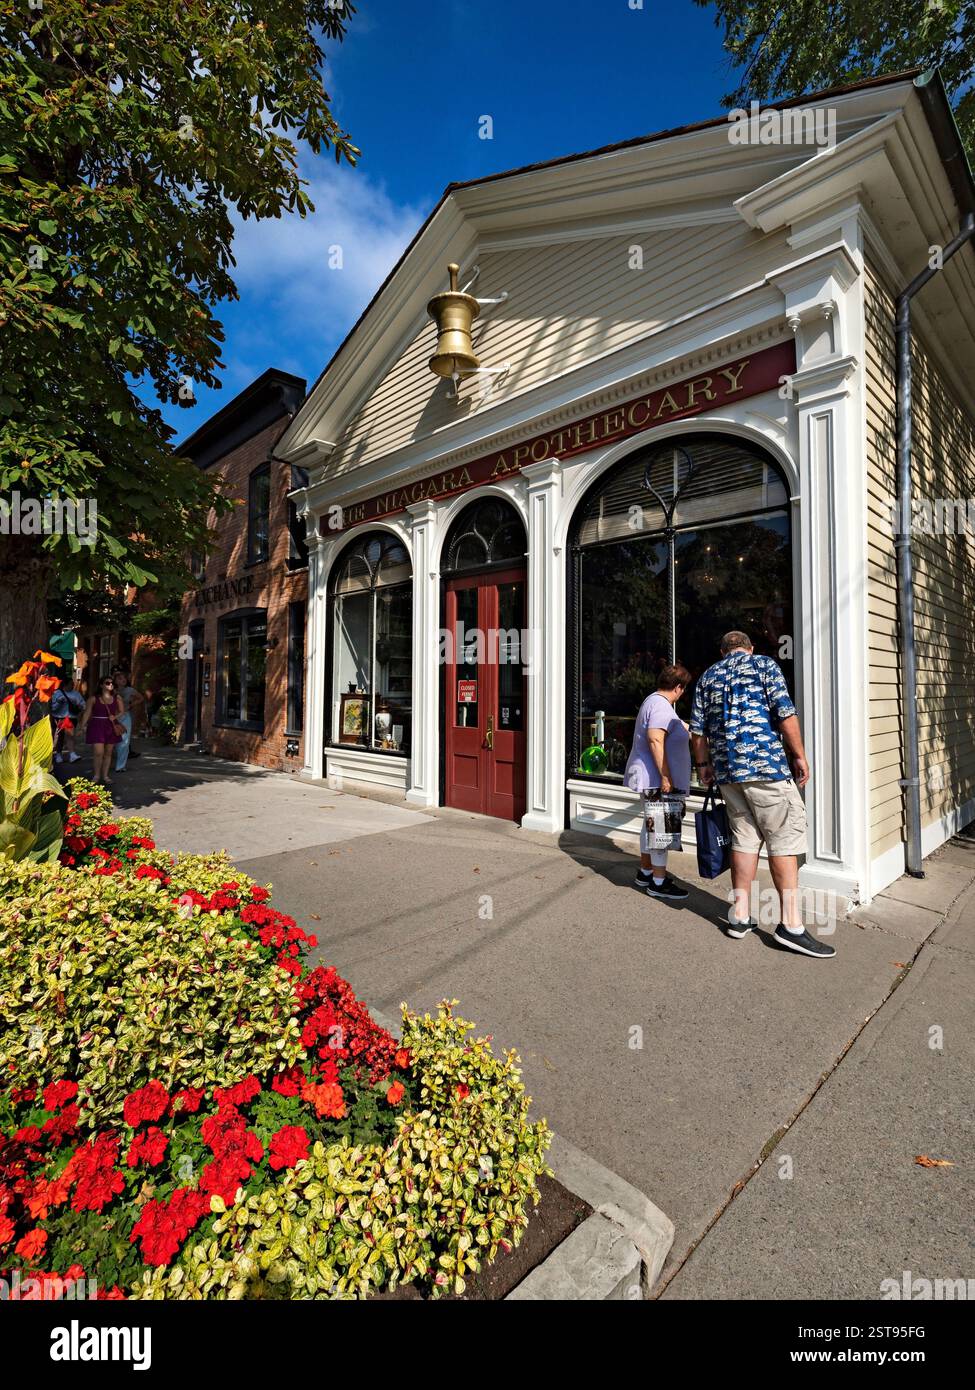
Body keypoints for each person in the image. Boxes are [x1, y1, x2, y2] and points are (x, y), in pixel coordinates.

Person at [689, 630, 835, 959]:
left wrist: (703, 766)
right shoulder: (763, 665)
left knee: (744, 839)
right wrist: (798, 755)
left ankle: (739, 916)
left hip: (729, 774)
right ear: (749, 648)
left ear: (722, 650)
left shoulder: (707, 676)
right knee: (783, 839)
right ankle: (791, 926)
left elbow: (697, 732)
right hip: (765, 769)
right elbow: (785, 714)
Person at [625, 664, 692, 900]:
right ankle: (658, 882)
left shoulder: (653, 701)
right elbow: (655, 739)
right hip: (657, 779)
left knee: (651, 825)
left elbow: (669, 729)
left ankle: (646, 872)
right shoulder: (661, 706)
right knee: (661, 829)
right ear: (678, 687)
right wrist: (665, 776)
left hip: (650, 776)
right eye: (683, 689)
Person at [78, 676, 124, 786]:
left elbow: (122, 711)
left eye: (112, 683)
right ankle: (97, 775)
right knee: (98, 752)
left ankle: (106, 776)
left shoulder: (117, 698)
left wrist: (115, 716)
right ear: (101, 685)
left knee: (108, 753)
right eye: (107, 683)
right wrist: (81, 727)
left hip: (110, 726)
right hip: (96, 726)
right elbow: (87, 713)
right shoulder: (94, 699)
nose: (111, 685)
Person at [112, 667, 144, 772]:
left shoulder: (130, 690)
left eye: (124, 678)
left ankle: (120, 766)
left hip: (125, 717)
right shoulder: (111, 690)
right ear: (115, 680)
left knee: (124, 741)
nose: (123, 680)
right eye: (120, 678)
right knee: (112, 741)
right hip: (112, 717)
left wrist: (131, 705)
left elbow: (141, 698)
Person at [50, 676, 84, 763]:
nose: (72, 686)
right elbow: (53, 708)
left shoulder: (76, 694)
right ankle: (58, 754)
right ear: (65, 685)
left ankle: (72, 754)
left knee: (70, 736)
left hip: (71, 717)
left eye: (73, 684)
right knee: (60, 736)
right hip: (60, 717)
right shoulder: (57, 693)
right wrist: (59, 702)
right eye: (71, 684)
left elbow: (83, 705)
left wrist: (79, 706)